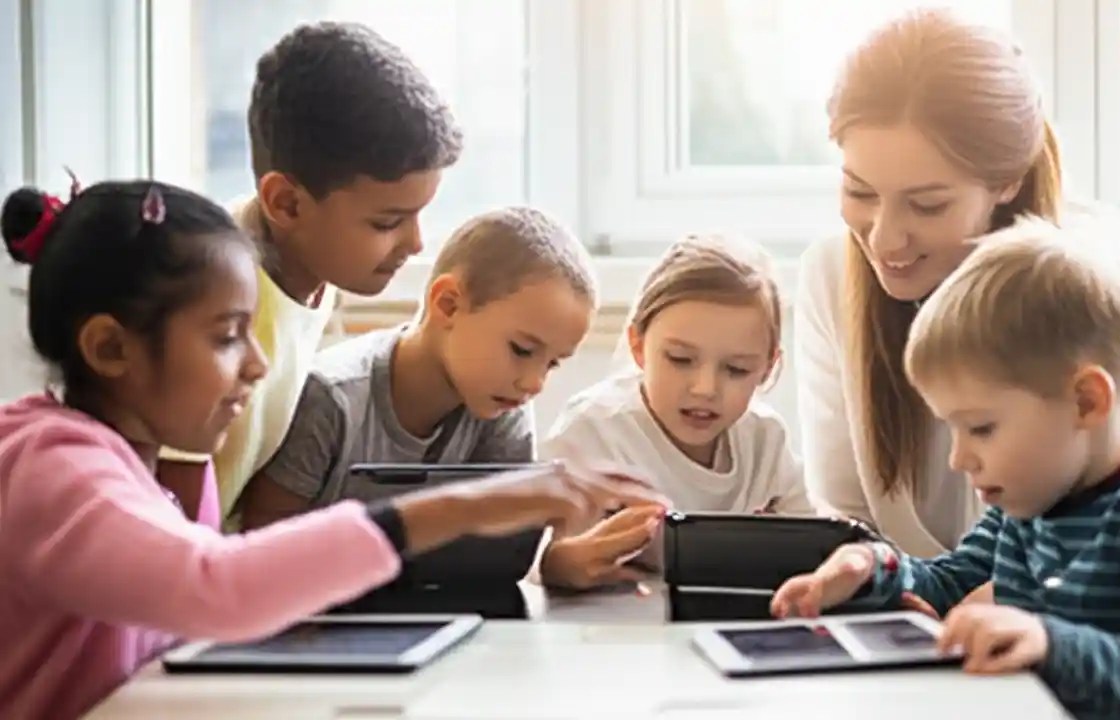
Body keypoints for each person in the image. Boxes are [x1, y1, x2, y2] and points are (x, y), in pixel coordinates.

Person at [0, 181, 664, 720]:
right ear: (111, 349)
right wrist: (468, 504)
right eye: (229, 336)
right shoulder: (52, 468)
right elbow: (217, 588)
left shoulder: (152, 463)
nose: (259, 366)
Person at [772, 219, 1120, 720]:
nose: (959, 458)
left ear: (1086, 401)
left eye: (981, 428)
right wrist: (869, 568)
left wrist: (1048, 642)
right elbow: (952, 583)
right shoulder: (1039, 495)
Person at [794, 8, 1120, 557]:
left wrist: (1001, 606)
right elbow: (846, 526)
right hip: (914, 630)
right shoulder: (830, 277)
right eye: (860, 192)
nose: (883, 240)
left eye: (927, 205)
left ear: (1006, 183)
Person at [157, 22, 464, 530]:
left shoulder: (311, 271)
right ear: (287, 203)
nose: (415, 244)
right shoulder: (208, 301)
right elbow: (175, 529)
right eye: (387, 222)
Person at [239, 206, 601, 528]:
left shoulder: (503, 411)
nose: (535, 383)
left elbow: (503, 549)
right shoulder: (331, 398)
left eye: (552, 364)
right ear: (448, 304)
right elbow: (263, 540)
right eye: (522, 350)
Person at [540, 234, 811, 588]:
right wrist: (560, 565)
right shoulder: (595, 432)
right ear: (638, 346)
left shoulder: (765, 440)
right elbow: (540, 560)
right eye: (680, 360)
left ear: (768, 366)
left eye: (737, 369)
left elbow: (813, 543)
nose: (705, 389)